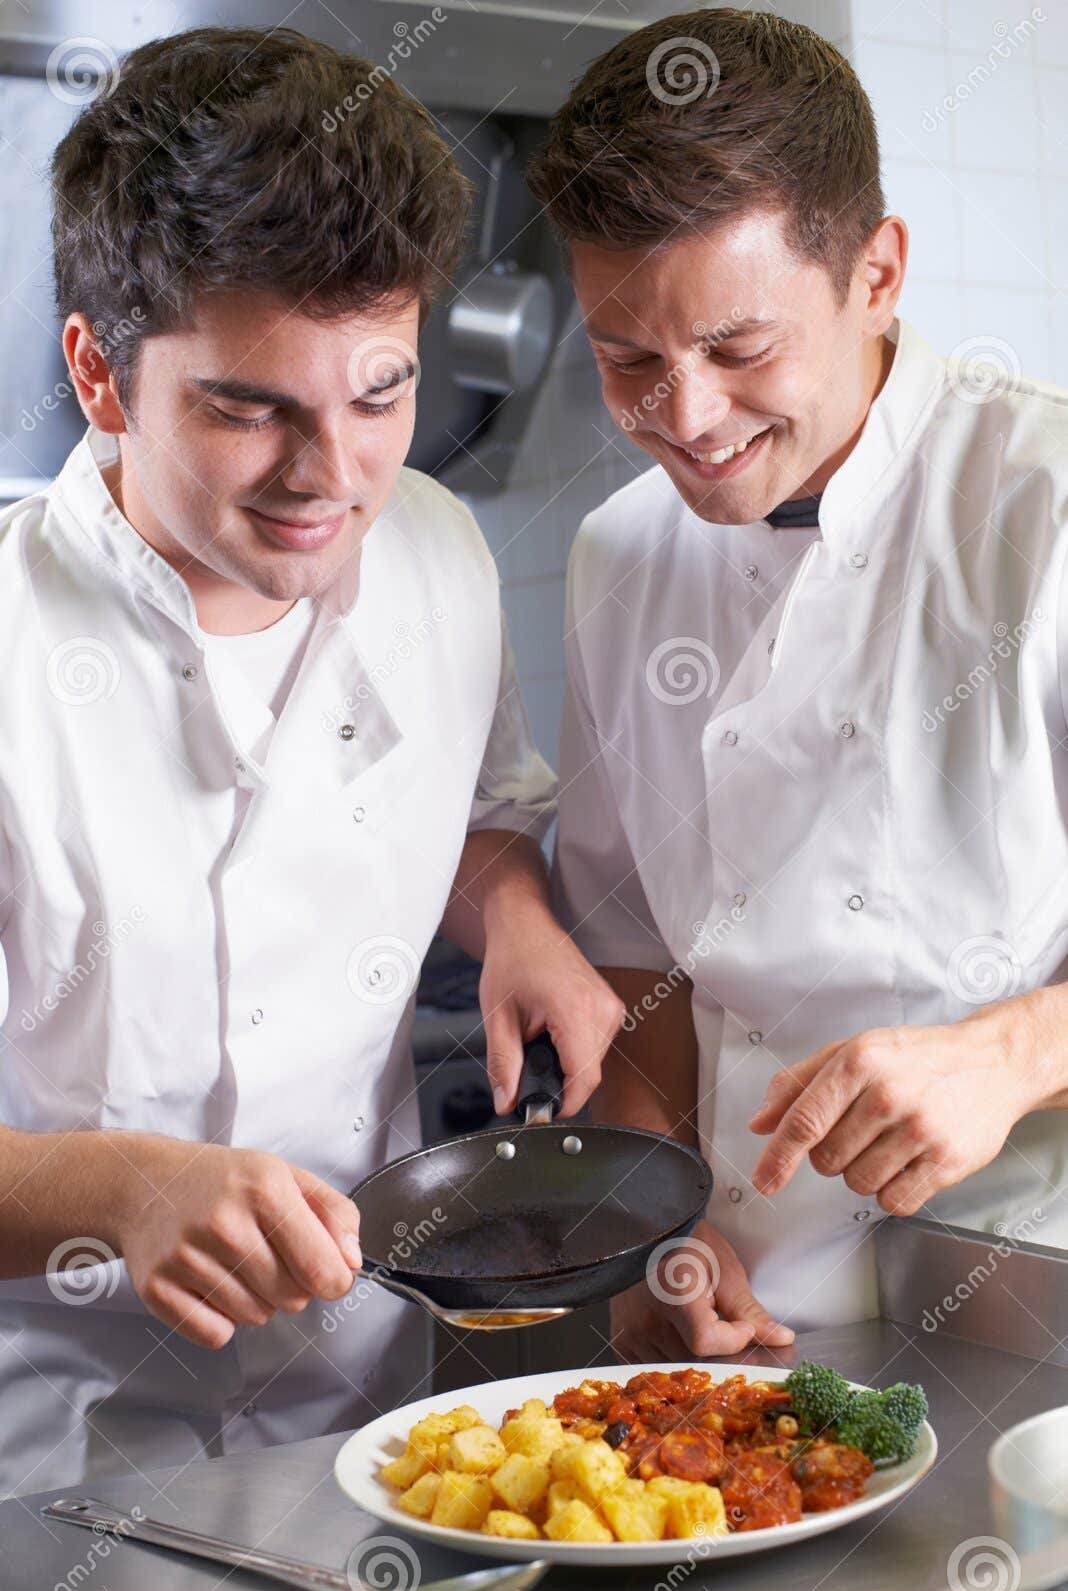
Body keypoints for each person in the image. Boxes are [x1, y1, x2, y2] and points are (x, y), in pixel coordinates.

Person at [0, 27, 622, 1500]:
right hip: (29, 1448)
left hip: (363, 1430)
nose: (331, 476)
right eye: (247, 407)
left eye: (380, 392)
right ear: (99, 372)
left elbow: (471, 814)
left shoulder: (437, 554)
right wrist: (113, 1186)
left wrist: (518, 921)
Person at [526, 7, 1068, 1360]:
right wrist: (653, 1234)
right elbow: (641, 970)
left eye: (738, 350)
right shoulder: (617, 559)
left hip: (1028, 1283)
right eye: (628, 358)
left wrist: (1010, 1054)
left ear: (876, 272)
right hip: (751, 1314)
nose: (686, 420)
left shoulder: (1043, 510)